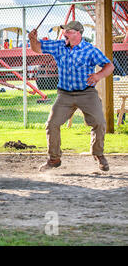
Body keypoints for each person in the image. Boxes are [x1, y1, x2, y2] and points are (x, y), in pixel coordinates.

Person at [29, 21, 115, 172]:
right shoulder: (59, 46)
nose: (64, 34)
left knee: (99, 122)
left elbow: (109, 66)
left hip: (86, 93)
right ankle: (54, 158)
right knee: (52, 124)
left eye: (68, 31)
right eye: (64, 31)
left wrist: (98, 75)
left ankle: (98, 154)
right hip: (65, 94)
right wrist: (32, 39)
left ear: (78, 33)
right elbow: (37, 48)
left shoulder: (90, 50)